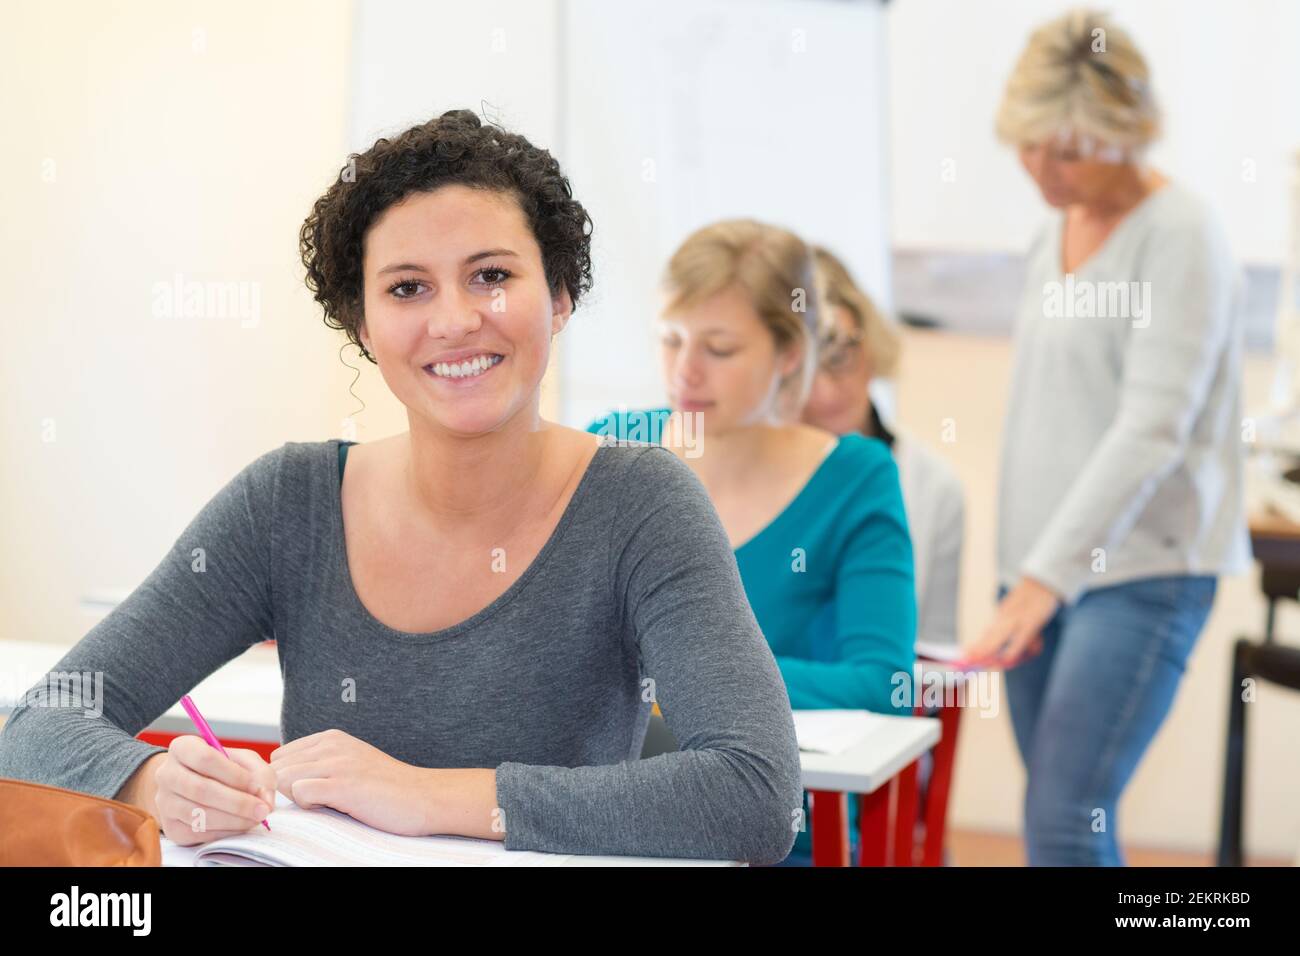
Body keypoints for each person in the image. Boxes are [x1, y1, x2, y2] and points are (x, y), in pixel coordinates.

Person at [0, 109, 803, 865]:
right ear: (362, 325)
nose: (453, 321)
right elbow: (38, 721)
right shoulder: (289, 502)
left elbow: (757, 793)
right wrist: (152, 786)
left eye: (490, 275)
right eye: (407, 287)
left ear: (559, 297)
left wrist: (427, 796)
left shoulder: (641, 504)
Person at [963, 9, 1251, 865]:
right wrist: (1026, 571)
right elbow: (1052, 412)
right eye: (1030, 146)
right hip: (1039, 569)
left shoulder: (1182, 236)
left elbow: (1152, 426)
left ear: (1130, 131)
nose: (1043, 171)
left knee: (1065, 815)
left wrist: (1043, 582)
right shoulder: (1049, 232)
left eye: (1069, 150)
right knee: (1056, 813)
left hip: (1142, 569)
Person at [587, 218, 916, 864]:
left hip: (782, 827)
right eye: (670, 339)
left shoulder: (855, 477)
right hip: (613, 818)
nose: (685, 371)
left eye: (720, 348)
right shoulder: (613, 448)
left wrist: (694, 685)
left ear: (789, 353)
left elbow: (883, 684)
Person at [801, 245, 964, 654]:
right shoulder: (735, 471)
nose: (824, 391)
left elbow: (933, 661)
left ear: (871, 346)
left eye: (839, 357)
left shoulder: (932, 486)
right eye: (802, 372)